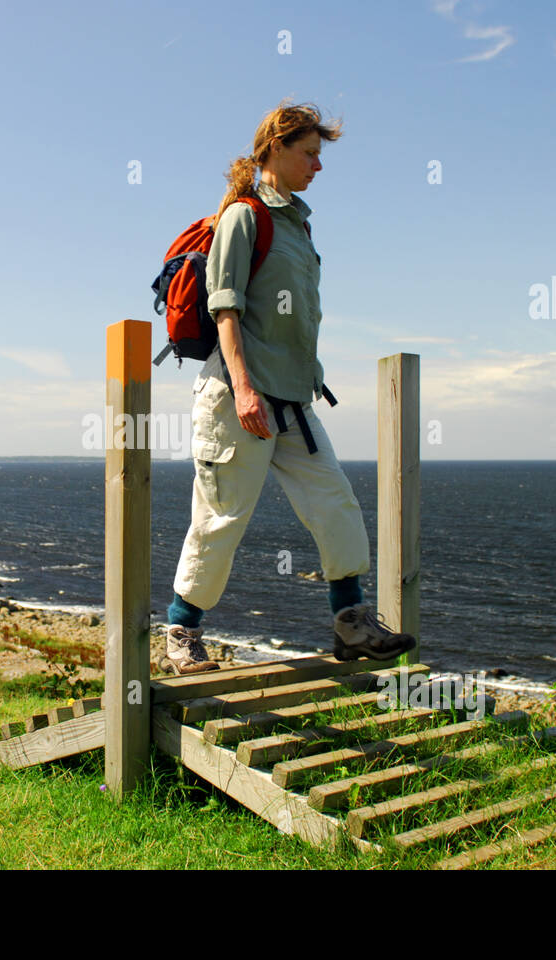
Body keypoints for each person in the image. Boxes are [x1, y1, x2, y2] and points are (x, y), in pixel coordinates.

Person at [162, 99, 417, 676]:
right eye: (309, 154)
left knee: (336, 503)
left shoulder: (298, 224)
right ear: (275, 148)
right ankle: (181, 631)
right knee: (221, 518)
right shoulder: (244, 216)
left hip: (292, 401)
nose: (318, 167)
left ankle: (352, 623)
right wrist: (246, 390)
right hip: (238, 397)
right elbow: (224, 308)